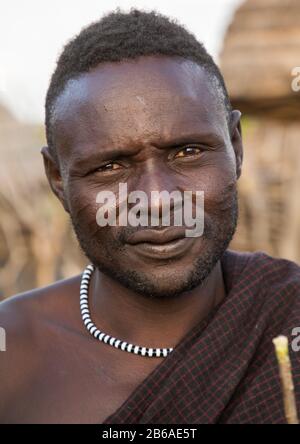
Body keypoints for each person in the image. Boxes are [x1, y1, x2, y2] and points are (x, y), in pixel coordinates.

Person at [0, 9, 299, 424]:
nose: (156, 200)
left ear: (236, 147)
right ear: (57, 180)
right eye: (110, 167)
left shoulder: (289, 315)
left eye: (188, 152)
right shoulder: (10, 357)